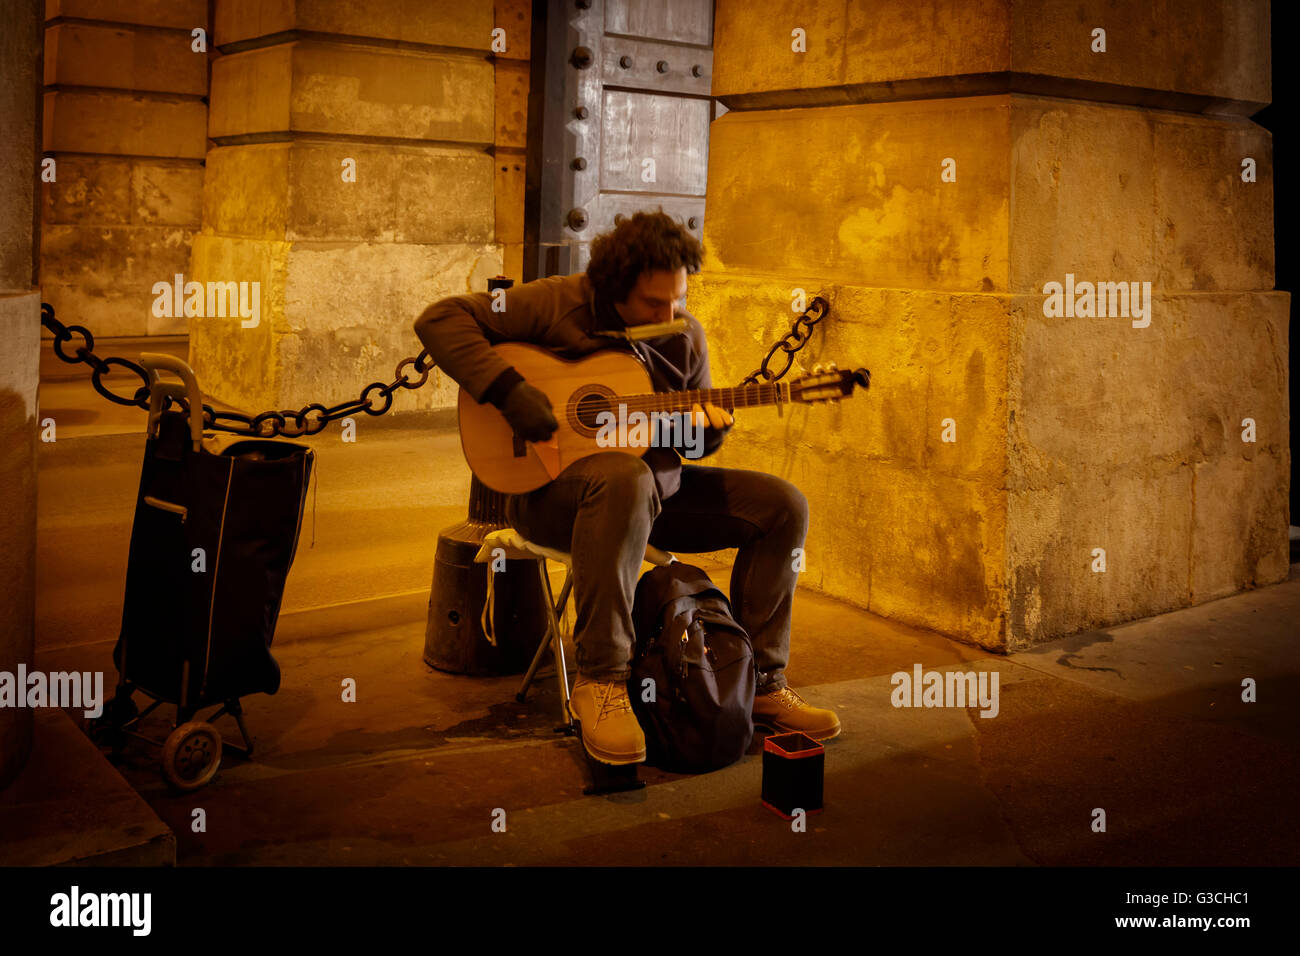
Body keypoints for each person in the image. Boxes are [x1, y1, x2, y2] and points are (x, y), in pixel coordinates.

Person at [413, 211, 840, 765]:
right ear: (612, 289)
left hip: (651, 492)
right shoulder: (558, 302)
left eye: (676, 300)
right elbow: (440, 320)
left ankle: (757, 681)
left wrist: (704, 432)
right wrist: (510, 391)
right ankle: (603, 680)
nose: (668, 315)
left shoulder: (683, 335)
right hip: (551, 496)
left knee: (783, 505)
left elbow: (688, 445)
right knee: (623, 477)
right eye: (651, 304)